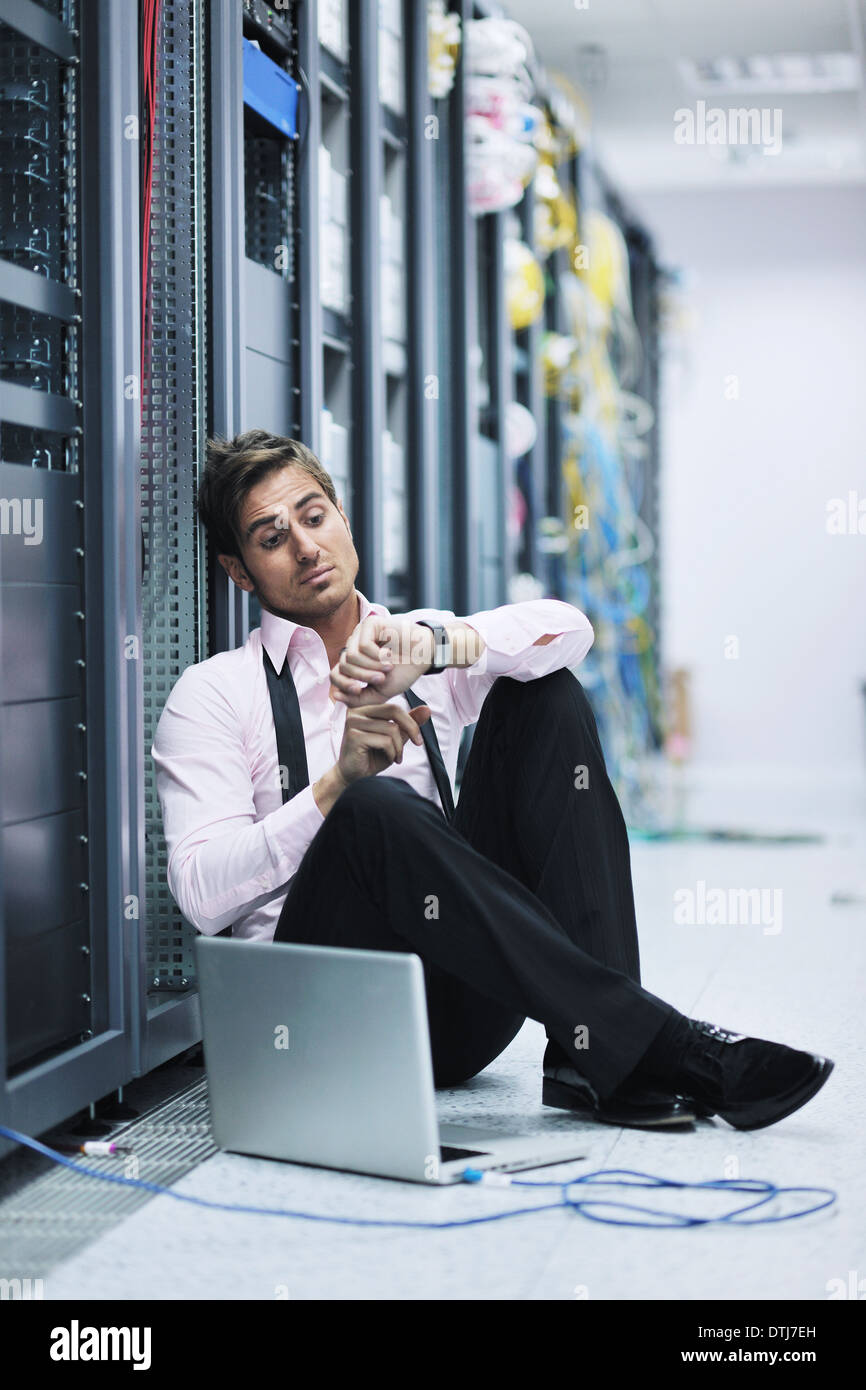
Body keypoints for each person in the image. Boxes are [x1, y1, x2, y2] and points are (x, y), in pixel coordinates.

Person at [152, 430, 834, 1132]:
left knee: (545, 693)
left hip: (458, 1015)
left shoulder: (418, 641)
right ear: (240, 572)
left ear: (344, 519)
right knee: (370, 807)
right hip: (325, 1016)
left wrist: (437, 646)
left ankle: (592, 1055)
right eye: (272, 537)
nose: (305, 546)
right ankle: (661, 1045)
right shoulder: (213, 694)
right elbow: (203, 895)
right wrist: (334, 784)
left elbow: (570, 631)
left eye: (314, 515)